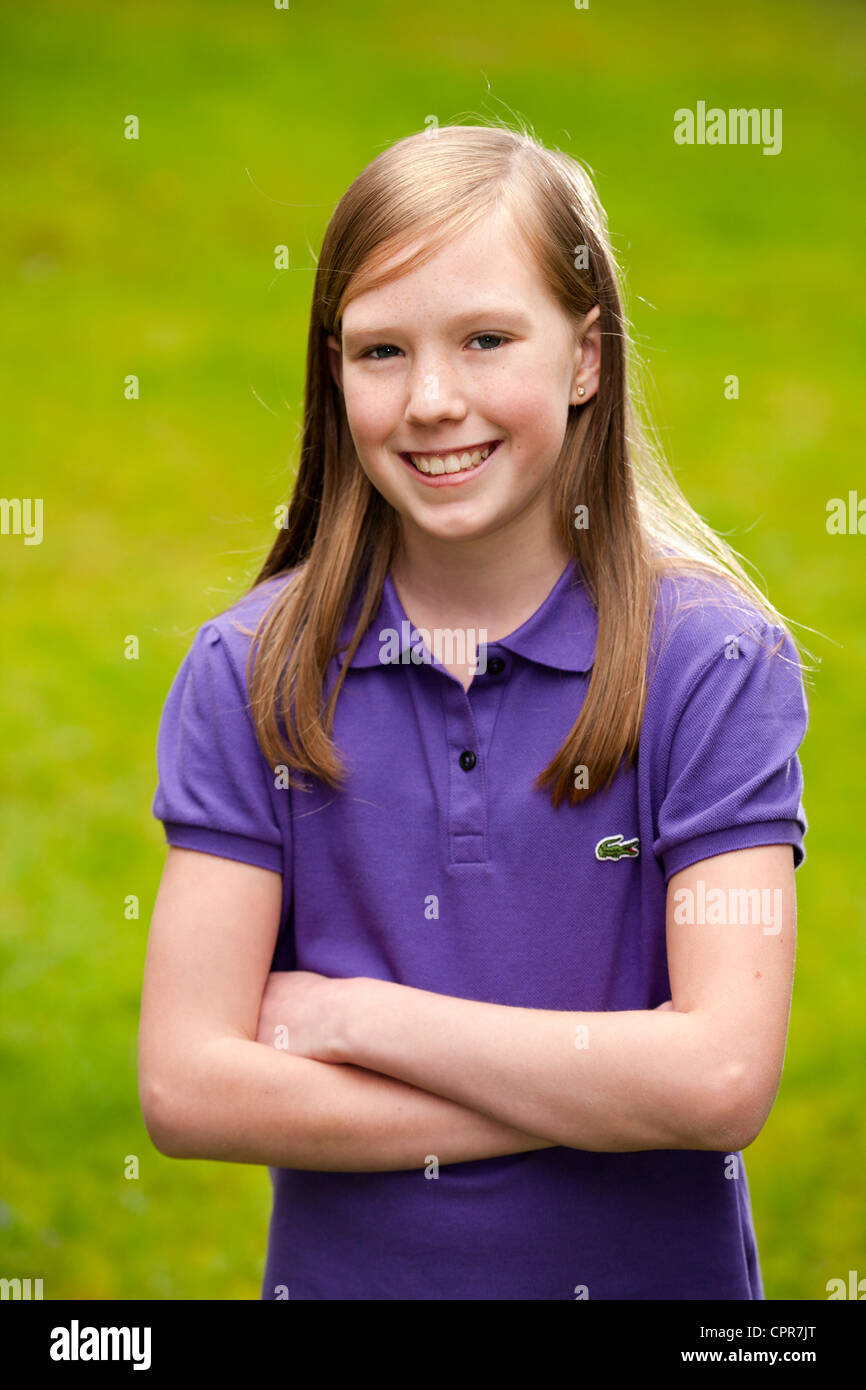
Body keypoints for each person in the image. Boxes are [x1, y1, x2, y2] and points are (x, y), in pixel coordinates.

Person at [139, 122, 809, 1300]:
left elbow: (717, 1084)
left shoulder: (712, 663)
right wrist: (600, 1096)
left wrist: (358, 1018)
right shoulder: (251, 668)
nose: (432, 400)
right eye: (380, 351)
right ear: (333, 368)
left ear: (586, 355)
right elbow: (188, 1089)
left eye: (486, 338)